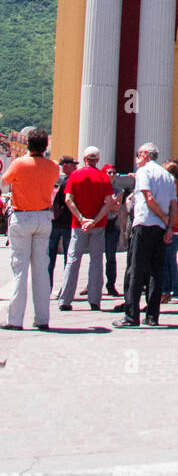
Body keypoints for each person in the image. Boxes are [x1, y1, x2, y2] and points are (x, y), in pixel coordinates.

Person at [113, 143, 177, 328]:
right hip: (161, 228)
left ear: (145, 155)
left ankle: (131, 316)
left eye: (138, 154)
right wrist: (169, 227)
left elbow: (149, 198)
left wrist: (163, 218)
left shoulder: (143, 172)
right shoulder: (167, 176)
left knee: (136, 270)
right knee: (156, 272)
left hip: (145, 223)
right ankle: (152, 315)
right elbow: (174, 204)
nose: (136, 158)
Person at [1, 128, 58, 330]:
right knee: (41, 270)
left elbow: (4, 182)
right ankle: (42, 318)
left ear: (28, 145)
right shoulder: (53, 166)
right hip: (44, 216)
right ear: (45, 146)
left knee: (20, 270)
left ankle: (15, 319)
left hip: (22, 215)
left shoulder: (19, 164)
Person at [58, 147, 118, 312]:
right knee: (96, 261)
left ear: (84, 159)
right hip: (98, 226)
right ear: (97, 160)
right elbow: (108, 203)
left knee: (72, 260)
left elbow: (68, 199)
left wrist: (82, 219)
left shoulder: (75, 176)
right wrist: (94, 220)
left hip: (78, 225)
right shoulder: (103, 178)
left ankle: (65, 299)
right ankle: (94, 300)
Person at [48, 155, 76, 288]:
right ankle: (65, 288)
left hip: (54, 221)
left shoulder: (54, 180)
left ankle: (48, 287)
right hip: (66, 222)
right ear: (65, 165)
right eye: (72, 164)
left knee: (50, 257)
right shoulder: (68, 181)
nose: (75, 167)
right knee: (67, 257)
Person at [160, 159, 178, 303]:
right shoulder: (177, 183)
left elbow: (171, 203)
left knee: (168, 258)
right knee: (171, 258)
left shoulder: (172, 184)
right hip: (175, 222)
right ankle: (173, 287)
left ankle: (170, 288)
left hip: (172, 222)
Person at [102, 163, 123, 297]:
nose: (111, 175)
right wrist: (112, 203)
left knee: (111, 256)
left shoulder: (119, 190)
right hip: (100, 224)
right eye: (109, 172)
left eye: (113, 173)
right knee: (96, 256)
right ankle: (92, 285)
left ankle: (111, 284)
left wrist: (107, 204)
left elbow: (116, 208)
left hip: (112, 224)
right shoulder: (99, 188)